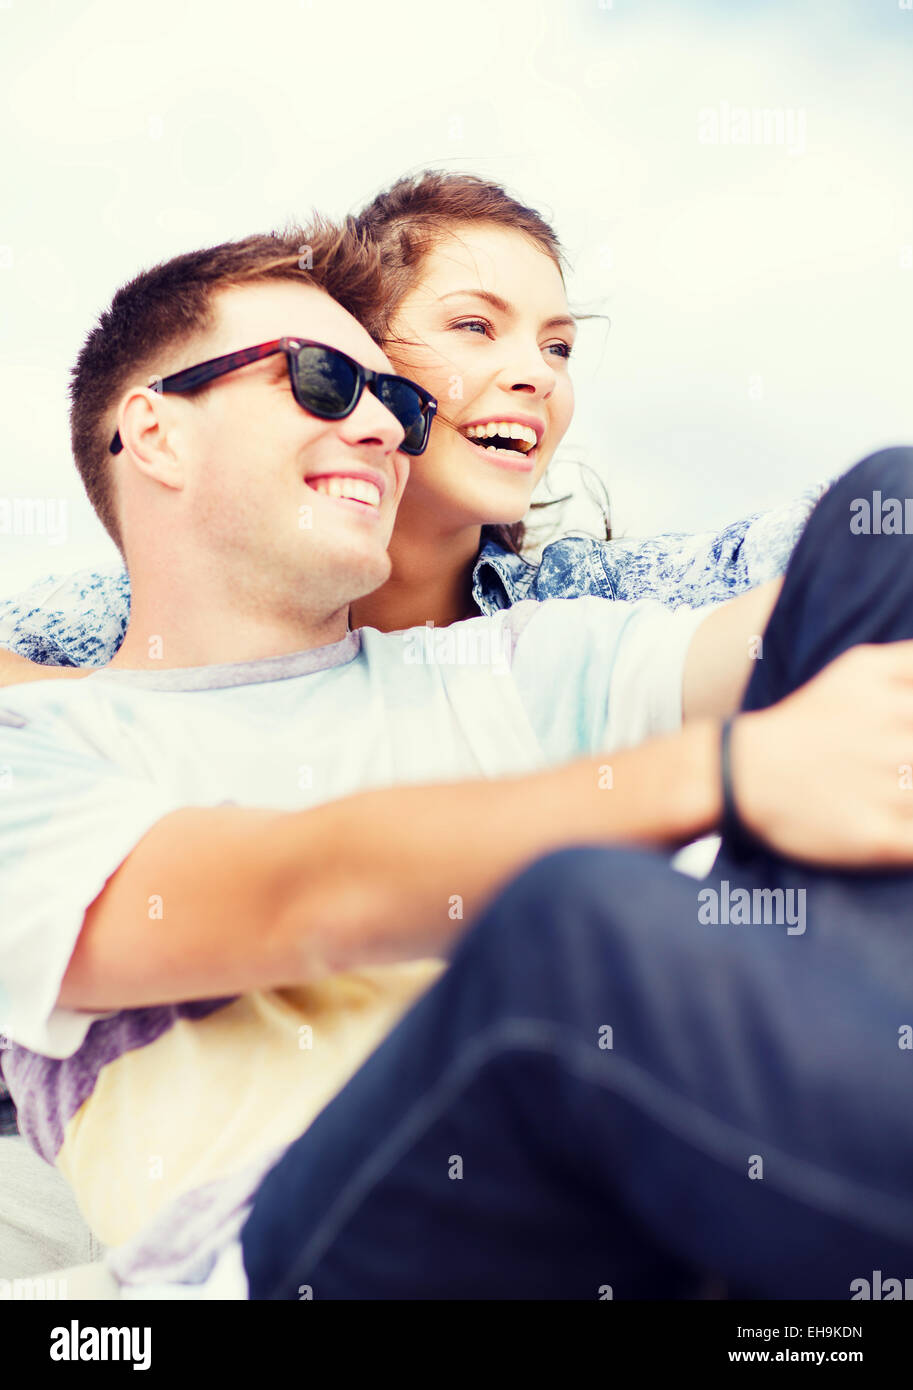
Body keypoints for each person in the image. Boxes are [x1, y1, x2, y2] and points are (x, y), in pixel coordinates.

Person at [0, 222, 910, 1301]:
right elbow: (297, 890)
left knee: (878, 528)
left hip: (673, 1199)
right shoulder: (45, 749)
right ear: (154, 432)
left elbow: (789, 616)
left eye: (402, 401)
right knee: (573, 933)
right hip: (297, 1254)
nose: (385, 427)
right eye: (325, 380)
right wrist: (724, 772)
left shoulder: (510, 662)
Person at [0, 170, 820, 683]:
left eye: (559, 345)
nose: (537, 373)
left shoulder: (579, 616)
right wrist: (102, 714)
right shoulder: (133, 623)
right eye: (474, 326)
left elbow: (811, 549)